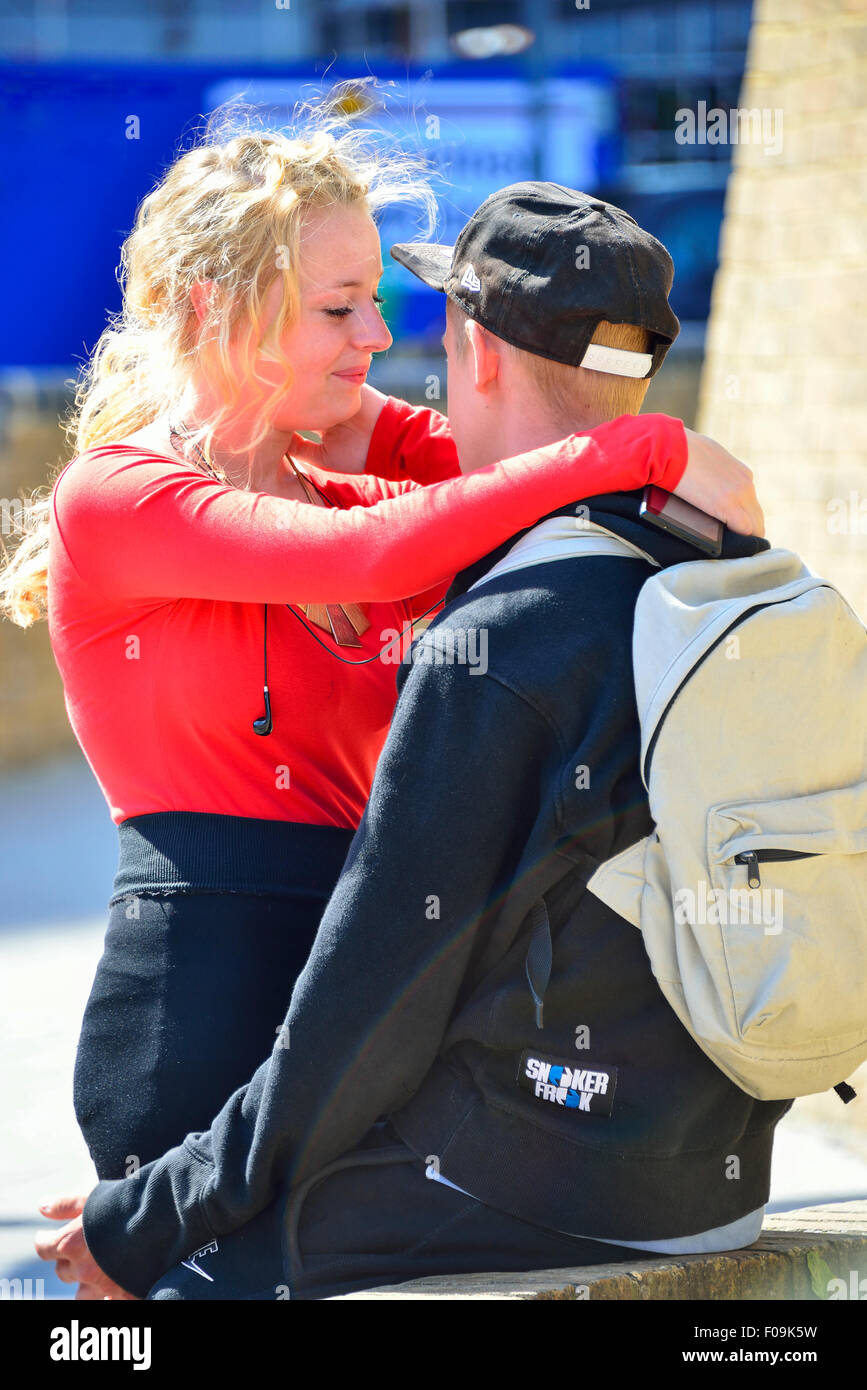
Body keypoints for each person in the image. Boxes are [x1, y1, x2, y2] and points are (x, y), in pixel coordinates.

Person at [35, 183, 784, 1302]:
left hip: (351, 1026)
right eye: (339, 310)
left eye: (379, 304)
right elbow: (383, 553)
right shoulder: (117, 495)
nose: (380, 336)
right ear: (217, 308)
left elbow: (513, 457)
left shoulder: (336, 482)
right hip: (196, 1015)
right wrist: (651, 440)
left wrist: (354, 405)